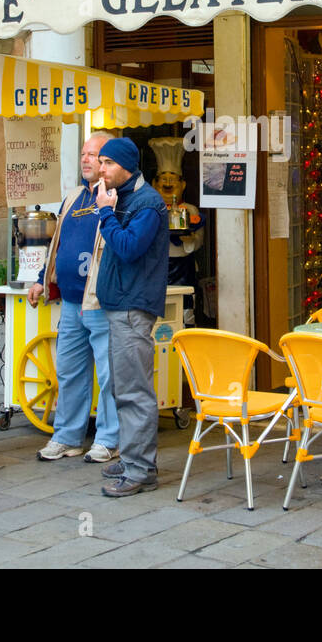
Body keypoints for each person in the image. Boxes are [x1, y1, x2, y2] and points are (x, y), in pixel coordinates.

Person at [29, 130, 120, 463]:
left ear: (110, 162)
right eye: (83, 153)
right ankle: (67, 437)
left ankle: (109, 439)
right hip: (69, 301)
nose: (85, 159)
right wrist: (43, 279)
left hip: (99, 302)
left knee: (109, 373)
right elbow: (58, 246)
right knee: (69, 371)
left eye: (93, 154)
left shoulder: (116, 199)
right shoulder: (72, 198)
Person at [90, 137, 170, 498]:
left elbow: (127, 248)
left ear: (125, 166)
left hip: (132, 308)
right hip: (118, 306)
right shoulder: (123, 197)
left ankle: (139, 470)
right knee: (122, 387)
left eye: (106, 162)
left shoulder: (147, 204)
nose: (100, 168)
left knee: (134, 390)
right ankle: (133, 458)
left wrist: (105, 213)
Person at [148, 136, 204, 328]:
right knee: (158, 309)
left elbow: (198, 242)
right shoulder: (149, 210)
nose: (168, 184)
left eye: (173, 181)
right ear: (154, 185)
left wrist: (189, 238)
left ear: (183, 185)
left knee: (186, 307)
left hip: (184, 266)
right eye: (163, 180)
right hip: (157, 265)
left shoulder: (190, 210)